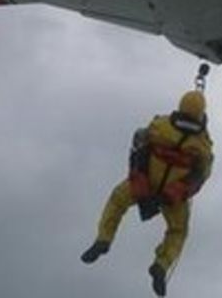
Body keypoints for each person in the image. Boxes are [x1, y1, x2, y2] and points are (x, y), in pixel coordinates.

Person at [81, 90, 214, 297]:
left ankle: (103, 240)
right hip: (173, 195)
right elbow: (200, 176)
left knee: (117, 201)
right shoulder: (203, 145)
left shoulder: (160, 125)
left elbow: (139, 146)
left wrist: (140, 181)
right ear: (201, 116)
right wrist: (169, 195)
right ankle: (161, 265)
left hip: (149, 182)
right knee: (178, 231)